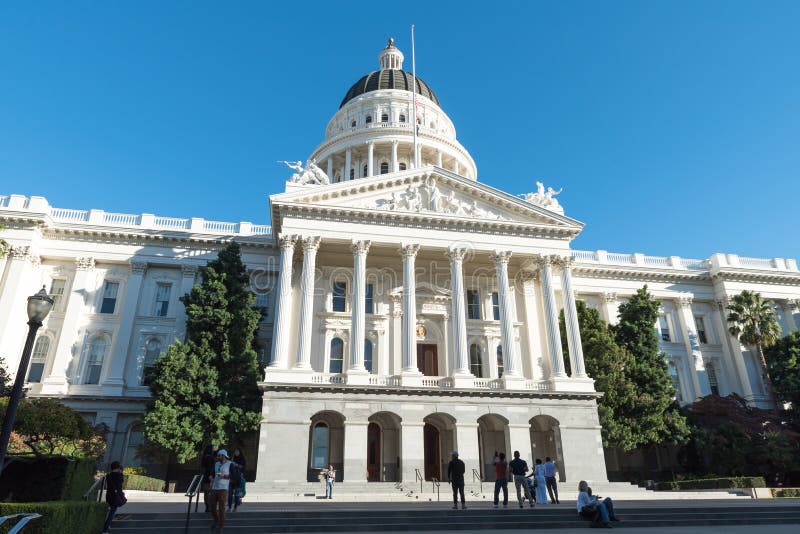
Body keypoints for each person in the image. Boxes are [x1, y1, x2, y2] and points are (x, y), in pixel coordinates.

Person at [210, 449, 232, 531]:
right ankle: (216, 520)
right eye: (217, 455)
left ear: (223, 456)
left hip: (223, 488)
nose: (218, 457)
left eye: (219, 455)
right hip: (214, 487)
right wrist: (211, 477)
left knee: (221, 508)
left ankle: (221, 526)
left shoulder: (230, 464)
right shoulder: (216, 464)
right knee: (212, 507)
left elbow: (233, 476)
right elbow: (212, 472)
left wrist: (224, 476)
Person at [101, 460, 125, 534]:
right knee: (112, 512)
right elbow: (120, 485)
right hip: (115, 497)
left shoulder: (108, 475)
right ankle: (105, 530)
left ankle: (107, 526)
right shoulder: (119, 475)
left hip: (109, 496)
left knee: (111, 510)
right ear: (118, 467)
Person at [227, 448, 246, 512]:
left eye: (237, 451)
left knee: (236, 494)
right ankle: (229, 507)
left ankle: (235, 507)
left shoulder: (242, 459)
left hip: (238, 479)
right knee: (230, 494)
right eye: (235, 451)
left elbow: (243, 468)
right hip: (232, 478)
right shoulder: (233, 459)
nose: (236, 453)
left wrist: (237, 465)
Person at [200, 444, 215, 513]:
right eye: (213, 448)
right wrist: (211, 476)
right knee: (209, 492)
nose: (214, 449)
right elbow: (210, 468)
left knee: (206, 492)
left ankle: (207, 507)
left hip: (205, 475)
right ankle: (209, 507)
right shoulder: (210, 458)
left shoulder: (204, 457)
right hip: (209, 476)